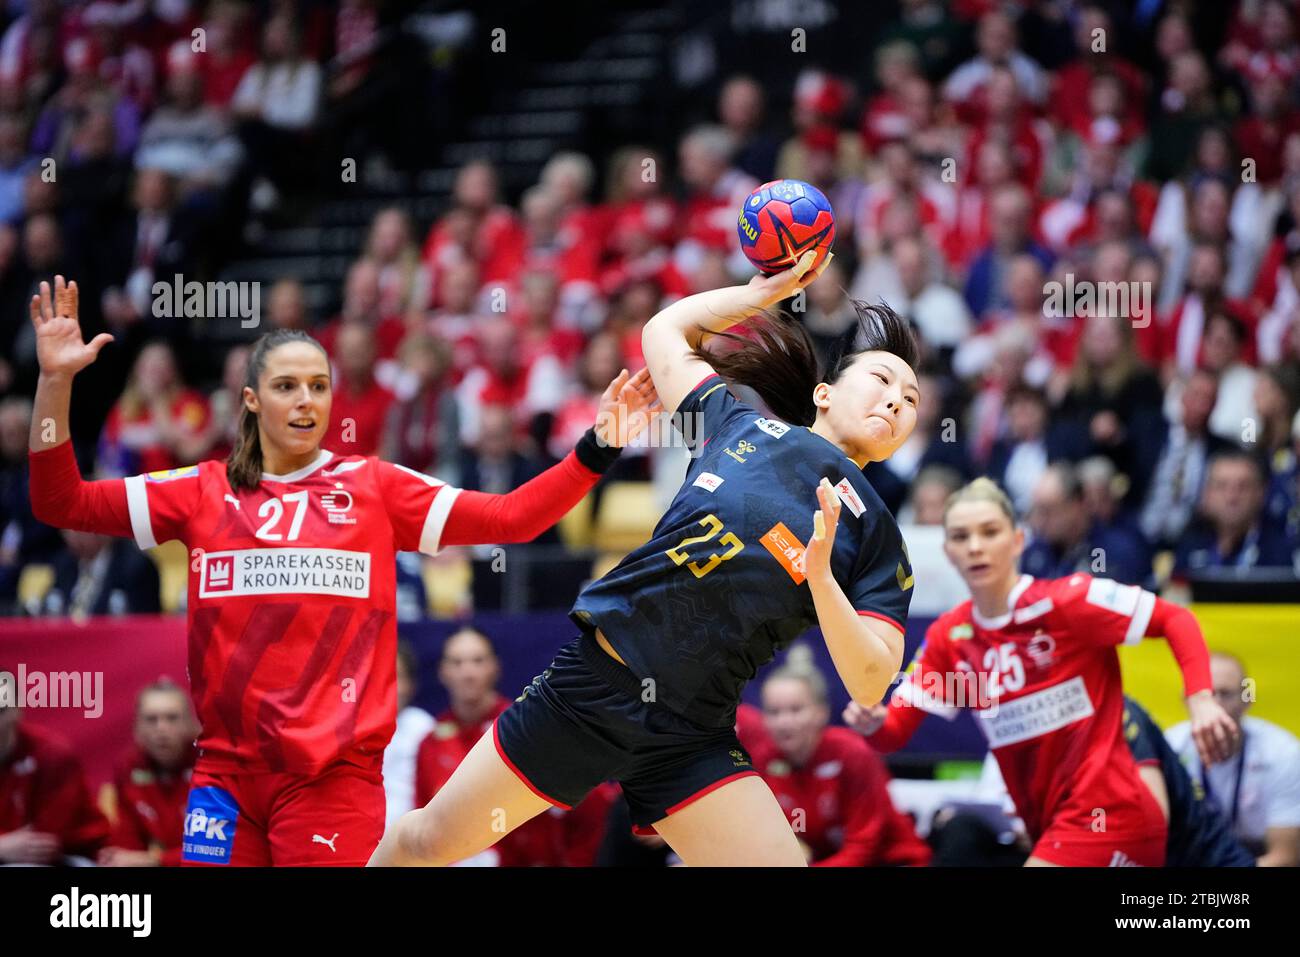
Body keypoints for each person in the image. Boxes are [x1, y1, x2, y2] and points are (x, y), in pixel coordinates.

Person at [26, 275, 658, 866]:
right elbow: (61, 502)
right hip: (223, 781)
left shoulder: (374, 488)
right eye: (286, 386)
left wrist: (598, 445)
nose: (306, 401)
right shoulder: (199, 491)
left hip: (333, 781)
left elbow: (512, 519)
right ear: (250, 399)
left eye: (319, 386)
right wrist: (55, 381)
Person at [372, 250, 920, 867]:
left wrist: (822, 580)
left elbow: (873, 677)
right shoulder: (736, 426)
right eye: (882, 380)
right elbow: (664, 331)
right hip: (591, 691)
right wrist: (762, 294)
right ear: (824, 392)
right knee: (425, 843)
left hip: (691, 737)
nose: (897, 400)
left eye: (911, 398)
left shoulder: (879, 538)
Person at [845, 478, 1239, 866]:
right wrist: (872, 722)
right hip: (1048, 828)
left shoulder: (1068, 602)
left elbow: (1175, 618)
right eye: (961, 537)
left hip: (1112, 816)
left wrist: (1201, 700)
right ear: (947, 550)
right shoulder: (950, 638)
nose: (976, 547)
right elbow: (893, 732)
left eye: (990, 532)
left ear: (1018, 540)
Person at [751, 663, 931, 866]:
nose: (784, 722)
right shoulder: (761, 761)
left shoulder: (852, 754)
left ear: (821, 712)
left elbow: (864, 847)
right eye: (774, 712)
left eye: (796, 710)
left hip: (892, 861)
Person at [1165, 652, 1300, 866]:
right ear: (1187, 699)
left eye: (1225, 693)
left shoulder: (1284, 752)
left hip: (1257, 855)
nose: (1214, 706)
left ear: (1247, 698)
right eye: (1205, 695)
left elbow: (1286, 858)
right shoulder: (1169, 748)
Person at [99, 679, 198, 867]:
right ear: (138, 727)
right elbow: (127, 842)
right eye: (151, 719)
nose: (161, 728)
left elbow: (219, 851)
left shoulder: (211, 765)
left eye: (172, 718)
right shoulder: (129, 767)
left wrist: (155, 860)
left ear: (191, 724)